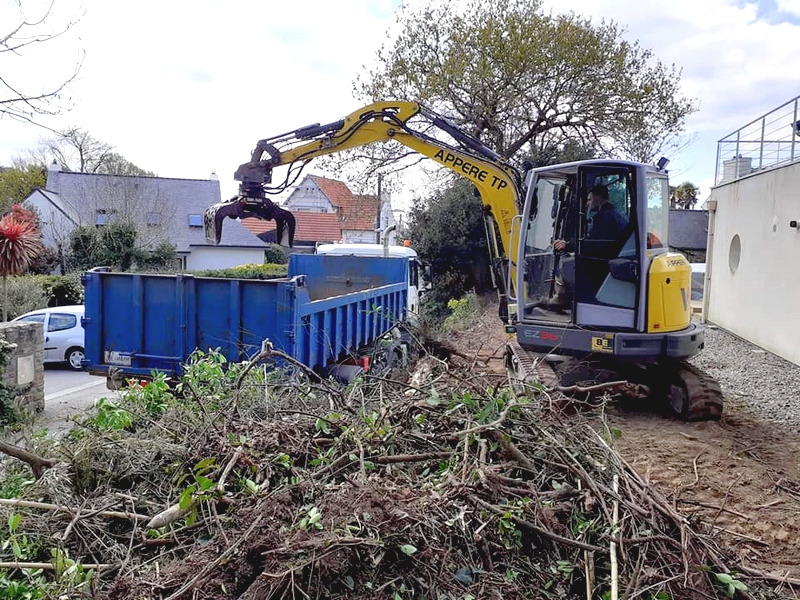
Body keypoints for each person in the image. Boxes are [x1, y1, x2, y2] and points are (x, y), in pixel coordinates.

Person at [549, 184, 628, 308]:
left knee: (565, 263)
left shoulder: (604, 216)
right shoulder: (618, 214)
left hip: (602, 263)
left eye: (589, 200)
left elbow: (595, 244)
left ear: (599, 198)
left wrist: (568, 246)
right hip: (614, 258)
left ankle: (562, 299)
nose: (587, 204)